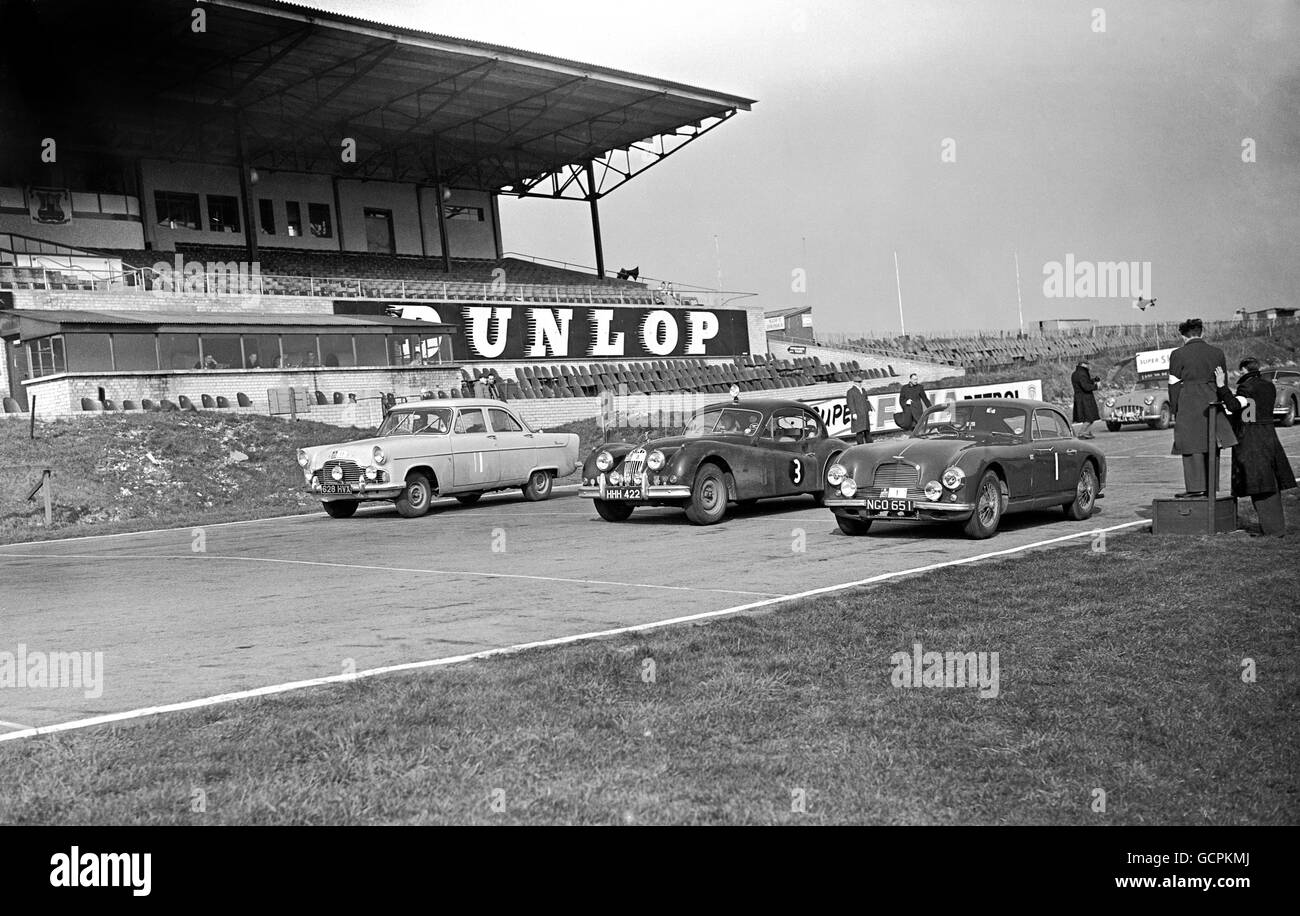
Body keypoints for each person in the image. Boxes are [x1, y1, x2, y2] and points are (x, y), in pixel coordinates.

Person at [1215, 358, 1296, 536]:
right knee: (1271, 484)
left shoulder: (1247, 387)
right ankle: (1276, 528)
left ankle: (1272, 530)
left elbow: (1234, 405)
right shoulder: (1269, 386)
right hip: (1269, 436)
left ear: (1244, 370)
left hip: (1252, 440)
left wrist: (1221, 387)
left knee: (1258, 484)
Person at [1168, 318, 1237, 497]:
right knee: (1212, 443)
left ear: (1183, 336)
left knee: (1191, 446)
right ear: (1202, 333)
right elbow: (1223, 380)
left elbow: (1174, 384)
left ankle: (1195, 487)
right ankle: (1211, 486)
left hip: (1188, 402)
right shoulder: (1217, 352)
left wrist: (1175, 408)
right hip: (1212, 400)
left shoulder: (1178, 354)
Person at [1071, 361, 1100, 438]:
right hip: (1085, 398)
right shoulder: (1082, 373)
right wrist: (1096, 386)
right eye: (1087, 364)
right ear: (1083, 365)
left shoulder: (1075, 373)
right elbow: (1085, 386)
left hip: (1079, 398)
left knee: (1087, 417)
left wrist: (1093, 380)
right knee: (1089, 417)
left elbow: (1084, 382)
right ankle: (1081, 433)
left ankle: (1087, 432)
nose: (1088, 366)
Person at [846, 374, 872, 444]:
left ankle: (869, 443)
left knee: (867, 429)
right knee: (859, 430)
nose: (860, 383)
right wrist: (853, 413)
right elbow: (850, 403)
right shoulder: (850, 391)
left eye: (860, 382)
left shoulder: (863, 390)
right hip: (858, 413)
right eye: (858, 382)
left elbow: (867, 400)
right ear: (855, 382)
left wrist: (869, 409)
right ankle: (860, 444)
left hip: (864, 412)